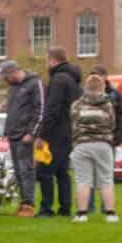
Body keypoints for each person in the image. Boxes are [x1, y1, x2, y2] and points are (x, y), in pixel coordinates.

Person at [35, 46, 82, 217]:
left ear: (53, 60)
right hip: (69, 131)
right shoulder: (73, 79)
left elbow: (52, 109)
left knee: (45, 171)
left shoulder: (58, 79)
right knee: (62, 172)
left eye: (46, 60)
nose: (46, 64)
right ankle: (65, 207)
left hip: (55, 131)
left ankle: (46, 208)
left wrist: (42, 134)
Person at [69, 73, 120, 223]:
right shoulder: (108, 104)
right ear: (102, 87)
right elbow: (112, 124)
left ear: (86, 87)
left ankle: (81, 214)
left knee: (83, 180)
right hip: (103, 144)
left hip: (82, 144)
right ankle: (110, 214)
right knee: (106, 180)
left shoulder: (77, 104)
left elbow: (73, 121)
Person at [0, 60, 43, 217]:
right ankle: (23, 202)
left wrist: (31, 132)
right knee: (18, 171)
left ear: (13, 72)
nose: (6, 80)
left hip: (25, 135)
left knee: (26, 170)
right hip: (14, 134)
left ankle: (29, 204)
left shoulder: (34, 83)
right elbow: (12, 111)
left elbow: (40, 109)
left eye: (6, 76)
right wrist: (7, 130)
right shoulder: (13, 87)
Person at [84, 64, 122, 213]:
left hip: (108, 140)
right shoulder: (85, 94)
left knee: (106, 175)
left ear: (105, 77)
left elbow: (121, 117)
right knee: (88, 174)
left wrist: (118, 137)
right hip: (88, 139)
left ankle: (105, 207)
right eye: (92, 74)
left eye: (97, 74)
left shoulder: (114, 95)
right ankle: (88, 207)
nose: (94, 77)